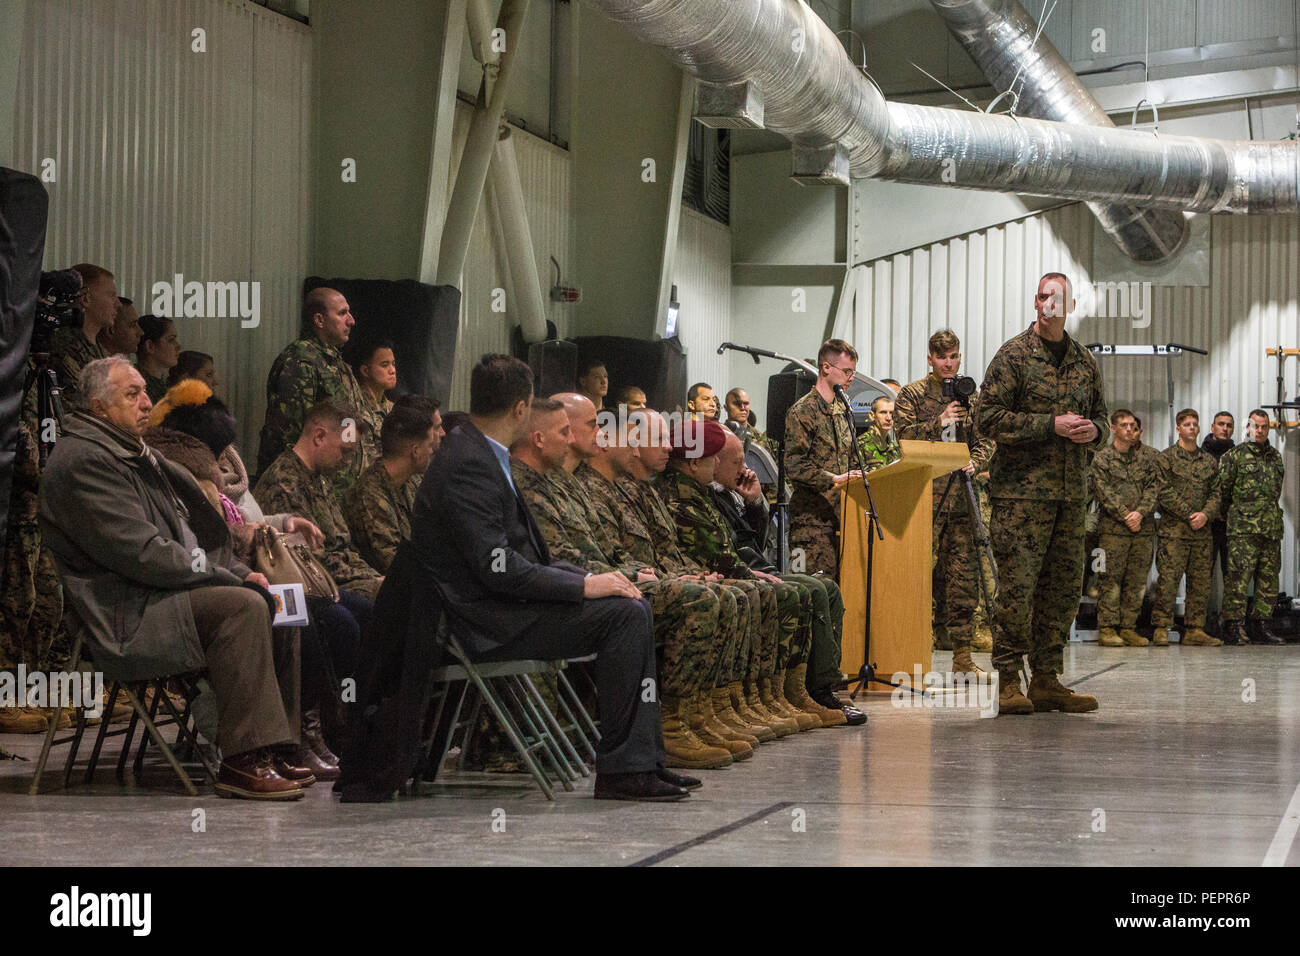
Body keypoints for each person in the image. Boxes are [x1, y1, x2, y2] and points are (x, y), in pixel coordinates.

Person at [410, 354, 689, 801]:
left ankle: (645, 760)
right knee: (625, 616)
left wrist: (594, 576)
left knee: (629, 603)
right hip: (485, 622)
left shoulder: (480, 452)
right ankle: (625, 769)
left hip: (504, 607)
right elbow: (495, 567)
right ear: (521, 410)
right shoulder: (469, 462)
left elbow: (525, 556)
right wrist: (582, 585)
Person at [38, 357, 308, 799]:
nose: (147, 403)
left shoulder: (137, 452)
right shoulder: (82, 462)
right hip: (124, 614)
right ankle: (241, 761)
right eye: (132, 394)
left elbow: (193, 538)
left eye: (145, 391)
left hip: (163, 595)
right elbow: (144, 556)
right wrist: (228, 580)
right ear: (98, 407)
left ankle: (278, 748)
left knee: (282, 600)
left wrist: (243, 572)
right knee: (241, 606)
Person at [511, 397, 735, 769]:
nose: (595, 435)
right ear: (538, 436)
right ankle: (663, 731)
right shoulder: (534, 486)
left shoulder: (569, 486)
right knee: (691, 602)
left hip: (592, 584)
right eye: (579, 427)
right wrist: (630, 577)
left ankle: (701, 714)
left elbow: (608, 550)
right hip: (561, 596)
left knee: (717, 593)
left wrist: (643, 574)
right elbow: (560, 557)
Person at [978, 272, 1109, 715]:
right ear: (1036, 303)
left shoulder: (1085, 361)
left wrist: (1095, 431)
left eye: (1057, 298)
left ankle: (1048, 680)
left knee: (1062, 592)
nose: (1048, 304)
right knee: (1017, 591)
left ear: (1069, 306)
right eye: (1042, 296)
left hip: (1071, 498)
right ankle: (1009, 681)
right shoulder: (1013, 356)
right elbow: (987, 418)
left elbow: (1104, 423)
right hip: (1021, 498)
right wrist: (1047, 424)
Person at [656, 419, 809, 738]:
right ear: (695, 460)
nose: (718, 467)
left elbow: (743, 542)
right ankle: (700, 715)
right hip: (678, 579)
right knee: (744, 595)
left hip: (700, 572)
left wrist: (755, 506)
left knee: (779, 591)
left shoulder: (701, 492)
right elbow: (716, 553)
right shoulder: (680, 493)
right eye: (714, 459)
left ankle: (759, 698)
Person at [711, 429, 865, 726]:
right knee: (812, 590)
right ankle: (809, 692)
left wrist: (755, 503)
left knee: (828, 588)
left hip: (752, 568)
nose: (745, 470)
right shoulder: (701, 496)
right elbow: (722, 552)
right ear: (714, 462)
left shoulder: (725, 495)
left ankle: (820, 686)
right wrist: (748, 572)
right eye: (737, 463)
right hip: (735, 573)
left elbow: (751, 541)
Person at [895, 329, 996, 675]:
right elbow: (902, 436)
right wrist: (937, 423)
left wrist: (975, 461)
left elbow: (987, 440)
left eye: (953, 356)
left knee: (964, 580)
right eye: (941, 357)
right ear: (929, 358)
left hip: (962, 500)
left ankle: (963, 660)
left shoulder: (972, 396)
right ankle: (913, 654)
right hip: (925, 497)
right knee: (919, 576)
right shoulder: (913, 394)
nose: (948, 363)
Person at [257, 287, 369, 492]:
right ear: (319, 320)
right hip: (304, 490)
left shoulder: (334, 361)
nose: (351, 320)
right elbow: (290, 436)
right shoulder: (301, 361)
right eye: (342, 313)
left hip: (337, 489)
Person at [783, 339, 862, 579]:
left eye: (853, 372)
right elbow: (793, 465)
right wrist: (833, 478)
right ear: (826, 368)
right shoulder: (803, 411)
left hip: (842, 520)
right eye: (847, 371)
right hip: (812, 524)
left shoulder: (843, 410)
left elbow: (853, 459)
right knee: (812, 592)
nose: (851, 378)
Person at [344, 396, 443, 574]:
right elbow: (395, 566)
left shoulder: (411, 481)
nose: (432, 450)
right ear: (415, 451)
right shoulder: (370, 496)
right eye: (429, 444)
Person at [1089, 409, 1160, 647]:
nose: (1130, 429)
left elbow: (1154, 488)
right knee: (1110, 579)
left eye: (1132, 425)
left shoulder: (1147, 459)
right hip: (1113, 530)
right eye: (1124, 425)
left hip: (1142, 528)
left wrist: (1139, 513)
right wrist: (1125, 514)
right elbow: (1103, 490)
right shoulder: (1102, 458)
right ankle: (1108, 628)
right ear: (1113, 429)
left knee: (1137, 580)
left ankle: (1128, 627)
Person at [1151, 409, 1222, 646]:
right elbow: (1163, 491)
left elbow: (1216, 493)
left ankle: (1194, 629)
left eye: (1195, 424)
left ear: (1199, 429)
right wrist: (1189, 513)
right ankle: (1161, 627)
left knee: (1200, 583)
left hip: (1201, 533)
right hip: (1174, 533)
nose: (1192, 427)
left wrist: (1205, 514)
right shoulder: (1165, 458)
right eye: (1187, 424)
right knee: (1168, 580)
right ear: (1178, 428)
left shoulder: (1209, 462)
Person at [1218, 409, 1285, 645]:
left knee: (1269, 580)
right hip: (1243, 530)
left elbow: (1276, 492)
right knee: (1238, 579)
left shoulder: (1275, 457)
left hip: (1270, 529)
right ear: (1247, 427)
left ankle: (1261, 625)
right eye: (1255, 426)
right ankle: (1233, 626)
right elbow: (1223, 492)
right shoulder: (1233, 456)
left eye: (1264, 427)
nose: (1260, 431)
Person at [47, 263, 116, 408]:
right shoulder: (64, 346)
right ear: (86, 299)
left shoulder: (99, 349)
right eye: (111, 296)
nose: (118, 304)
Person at [1202, 410, 1235, 628]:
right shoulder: (1201, 455)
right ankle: (1200, 623)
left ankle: (1230, 623)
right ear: (1213, 427)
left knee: (1233, 576)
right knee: (1202, 575)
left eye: (1229, 425)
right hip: (1205, 525)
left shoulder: (1237, 455)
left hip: (1233, 526)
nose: (1224, 428)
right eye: (1220, 424)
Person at [352, 339, 397, 466]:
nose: (392, 370)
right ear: (365, 371)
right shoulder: (354, 407)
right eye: (384, 365)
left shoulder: (394, 409)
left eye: (393, 364)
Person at [136, 314, 182, 404]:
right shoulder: (138, 385)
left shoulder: (161, 384)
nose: (178, 346)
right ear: (150, 346)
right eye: (171, 340)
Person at [723, 387, 774, 453]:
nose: (742, 408)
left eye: (746, 403)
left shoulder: (761, 438)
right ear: (726, 407)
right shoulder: (720, 434)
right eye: (737, 403)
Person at [858, 395, 900, 472]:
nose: (888, 418)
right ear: (872, 415)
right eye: (883, 412)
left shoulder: (895, 447)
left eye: (891, 413)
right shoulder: (861, 444)